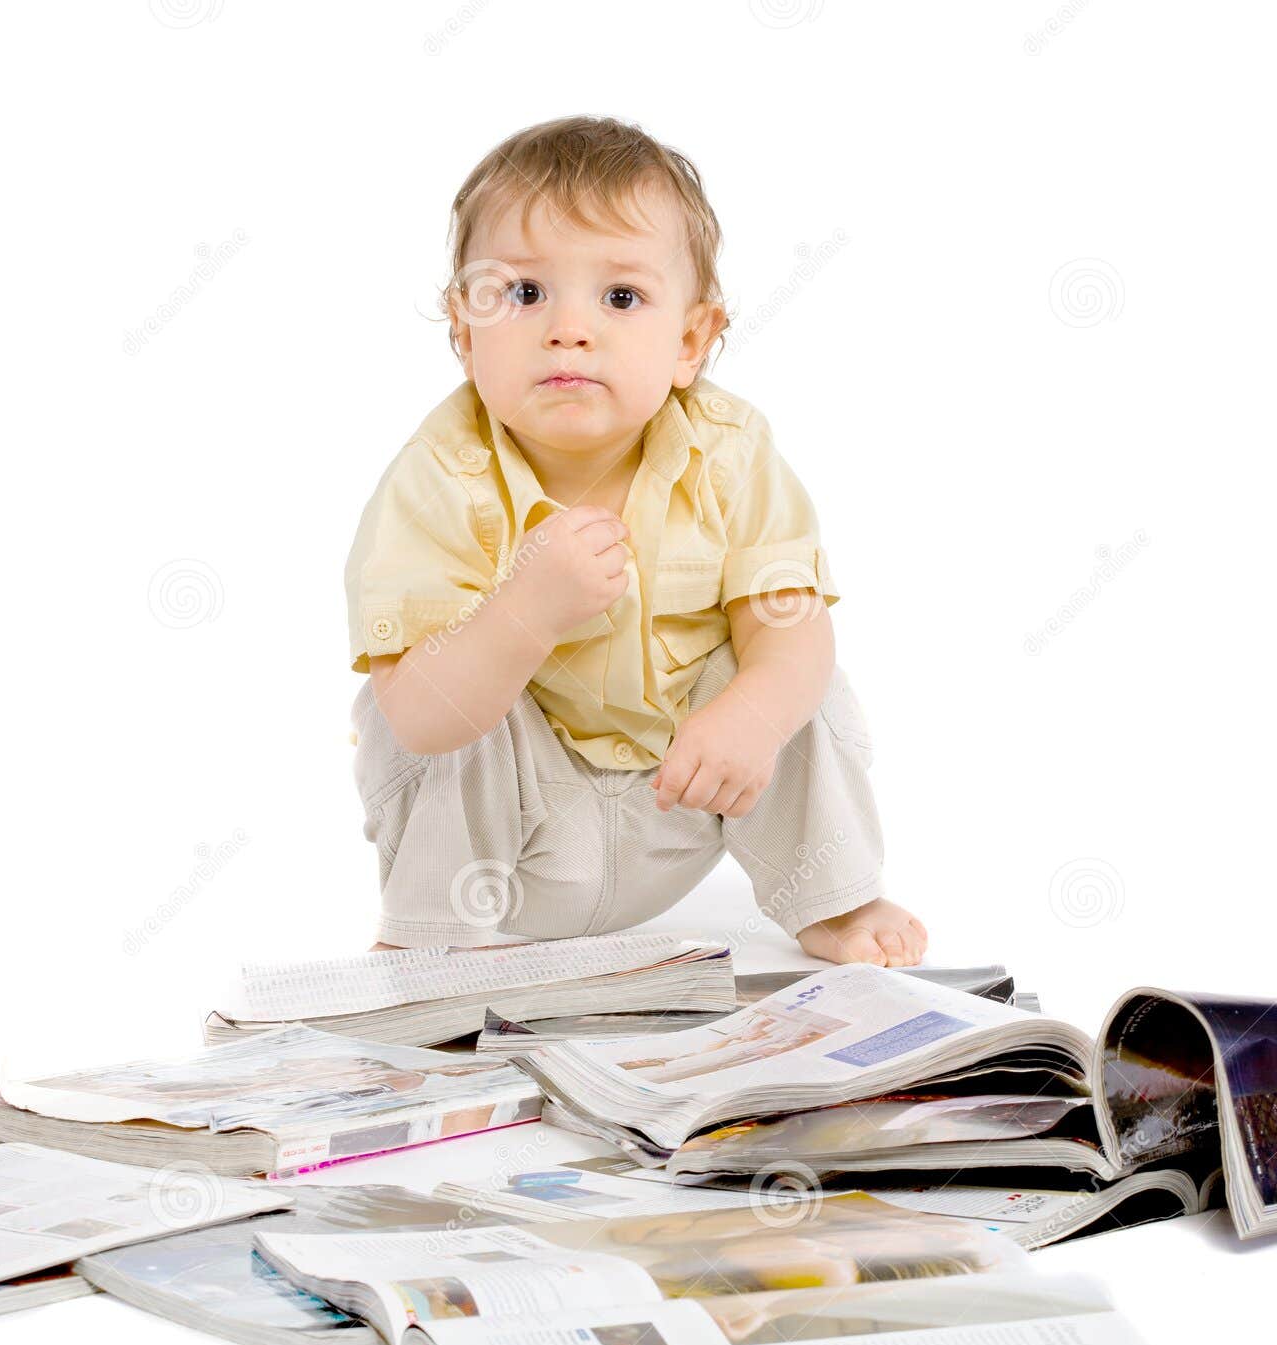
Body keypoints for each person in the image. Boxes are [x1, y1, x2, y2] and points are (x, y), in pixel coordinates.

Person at [346, 116, 926, 968]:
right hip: (517, 846)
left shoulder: (730, 452)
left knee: (797, 673)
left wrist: (751, 716)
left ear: (691, 341)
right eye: (524, 293)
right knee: (426, 690)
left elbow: (794, 627)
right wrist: (524, 611)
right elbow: (419, 719)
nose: (569, 329)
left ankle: (832, 896)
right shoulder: (438, 478)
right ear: (464, 334)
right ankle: (430, 938)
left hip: (680, 797)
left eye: (620, 298)